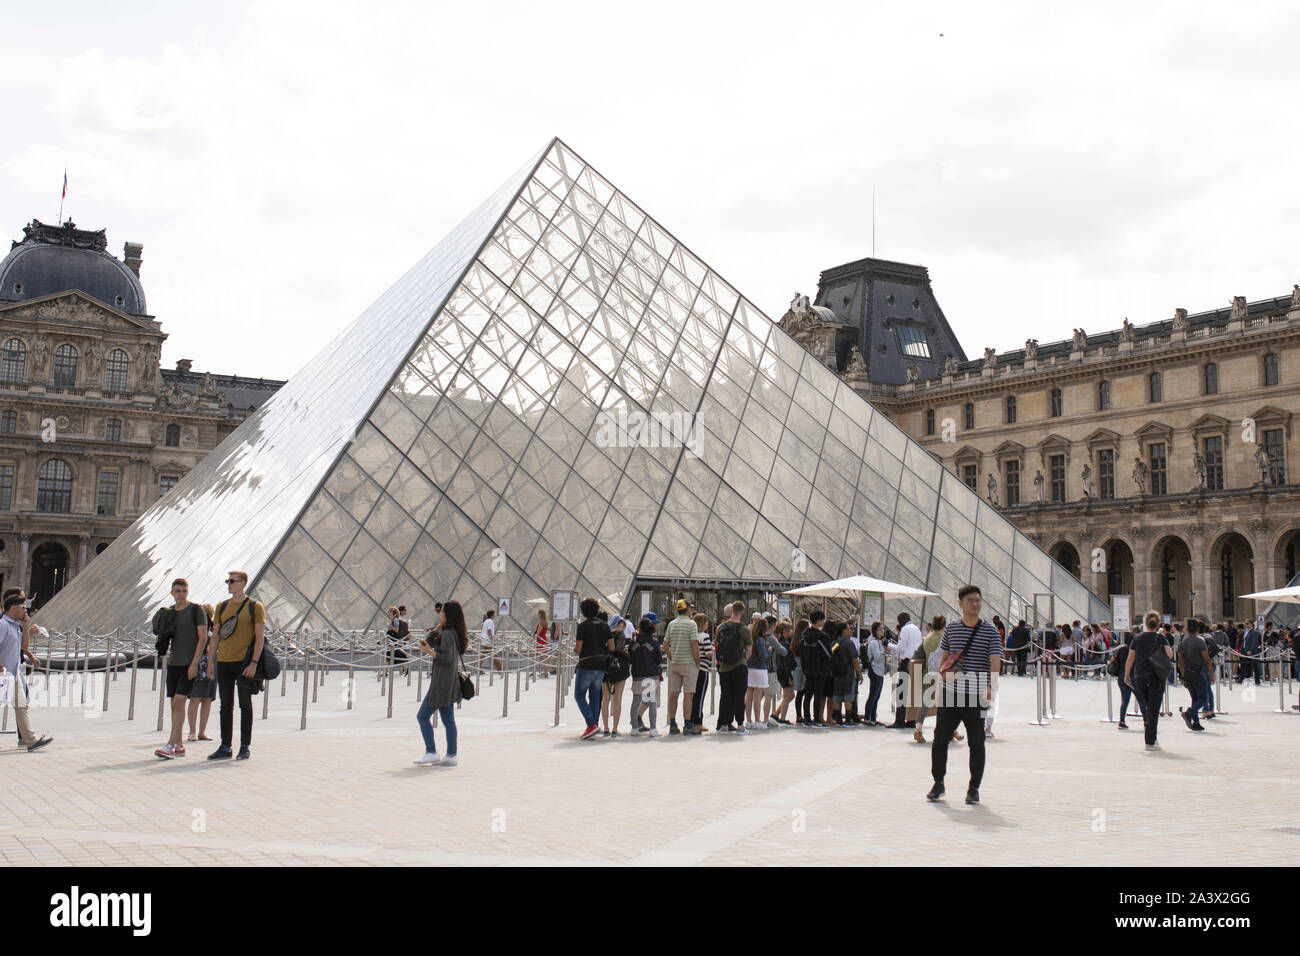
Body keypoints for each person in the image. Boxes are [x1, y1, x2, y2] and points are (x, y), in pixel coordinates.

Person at [927, 585, 1001, 805]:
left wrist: (991, 687)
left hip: (976, 693)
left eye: (978, 600)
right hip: (951, 693)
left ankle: (974, 788)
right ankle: (938, 783)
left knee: (976, 743)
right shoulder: (951, 629)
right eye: (970, 600)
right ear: (960, 603)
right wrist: (940, 684)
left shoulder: (990, 631)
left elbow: (995, 661)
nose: (975, 604)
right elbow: (945, 659)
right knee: (940, 740)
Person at [206, 571, 265, 761]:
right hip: (224, 661)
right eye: (227, 581)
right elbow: (215, 636)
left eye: (232, 581)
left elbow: (260, 637)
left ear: (243, 583)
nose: (228, 584)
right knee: (225, 705)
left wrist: (254, 663)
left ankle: (245, 746)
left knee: (245, 705)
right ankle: (225, 746)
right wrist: (210, 661)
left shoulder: (255, 607)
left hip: (244, 663)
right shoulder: (222, 607)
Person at [154, 578, 209, 759]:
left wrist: (195, 663)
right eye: (178, 591)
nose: (181, 594)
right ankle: (179, 746)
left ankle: (170, 744)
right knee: (174, 705)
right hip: (174, 663)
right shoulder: (169, 613)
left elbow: (202, 638)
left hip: (188, 664)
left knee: (179, 701)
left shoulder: (196, 610)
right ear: (172, 592)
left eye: (184, 591)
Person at [414, 600, 467, 766]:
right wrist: (435, 630)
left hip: (441, 685)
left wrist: (430, 652)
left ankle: (431, 751)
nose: (439, 615)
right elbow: (429, 642)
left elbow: (447, 658)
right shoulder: (450, 632)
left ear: (448, 615)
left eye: (442, 613)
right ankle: (451, 755)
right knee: (448, 721)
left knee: (422, 716)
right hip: (449, 683)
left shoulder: (448, 635)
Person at [0, 593, 51, 752]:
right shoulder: (2, 625)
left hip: (13, 675)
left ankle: (30, 740)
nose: (25, 611)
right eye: (23, 608)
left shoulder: (16, 625)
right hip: (3, 674)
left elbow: (24, 647)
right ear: (14, 608)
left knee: (22, 706)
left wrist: (25, 626)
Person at [1125, 611, 1174, 751]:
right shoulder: (1161, 638)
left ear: (1145, 623)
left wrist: (1126, 675)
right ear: (1158, 623)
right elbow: (1170, 654)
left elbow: (1130, 658)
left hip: (1140, 676)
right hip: (1156, 676)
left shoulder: (1137, 638)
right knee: (1153, 709)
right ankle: (1150, 741)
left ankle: (1152, 738)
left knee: (1148, 707)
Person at [573, 599, 612, 740]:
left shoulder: (582, 626)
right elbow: (612, 647)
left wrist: (575, 649)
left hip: (586, 664)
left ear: (583, 611)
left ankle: (591, 725)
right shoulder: (604, 626)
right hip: (600, 665)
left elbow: (578, 648)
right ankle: (593, 725)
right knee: (595, 697)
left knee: (579, 696)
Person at [714, 601, 753, 734]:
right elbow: (749, 651)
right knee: (739, 696)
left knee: (726, 696)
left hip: (724, 667)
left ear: (731, 612)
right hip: (739, 666)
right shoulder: (745, 630)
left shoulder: (721, 627)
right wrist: (742, 660)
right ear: (742, 613)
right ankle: (740, 725)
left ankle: (724, 724)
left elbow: (718, 646)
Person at [663, 600, 700, 735]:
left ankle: (672, 723)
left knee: (674, 694)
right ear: (687, 610)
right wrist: (697, 661)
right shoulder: (691, 624)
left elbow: (665, 644)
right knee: (688, 695)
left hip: (675, 664)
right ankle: (688, 724)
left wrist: (672, 657)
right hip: (689, 663)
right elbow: (694, 644)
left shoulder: (672, 624)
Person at [910, 615, 945, 743]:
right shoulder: (943, 638)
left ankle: (918, 728)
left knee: (925, 702)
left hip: (927, 671)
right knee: (944, 703)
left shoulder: (927, 638)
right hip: (941, 673)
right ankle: (946, 731)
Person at [629, 617, 663, 737]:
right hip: (651, 675)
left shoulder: (633, 642)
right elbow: (659, 659)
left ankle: (634, 728)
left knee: (636, 701)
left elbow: (630, 657)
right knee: (651, 701)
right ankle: (653, 729)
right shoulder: (654, 642)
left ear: (639, 628)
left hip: (637, 674)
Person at [1178, 620, 1212, 732]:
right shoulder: (1200, 641)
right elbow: (1206, 659)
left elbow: (1180, 661)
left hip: (1188, 672)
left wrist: (1183, 675)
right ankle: (1190, 713)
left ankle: (1196, 723)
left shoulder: (1182, 642)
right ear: (1198, 629)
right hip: (1199, 672)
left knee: (1194, 698)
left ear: (1187, 629)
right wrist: (1211, 674)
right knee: (1203, 698)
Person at [601, 615, 631, 737]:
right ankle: (615, 728)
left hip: (606, 666)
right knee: (618, 699)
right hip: (619, 667)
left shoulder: (604, 634)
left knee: (605, 698)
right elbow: (619, 649)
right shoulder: (620, 635)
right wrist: (627, 656)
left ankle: (606, 728)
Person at [891, 612, 922, 728]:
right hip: (916, 662)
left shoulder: (905, 629)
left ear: (902, 621)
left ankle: (899, 720)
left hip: (906, 662)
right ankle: (912, 720)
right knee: (913, 694)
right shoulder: (917, 629)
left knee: (901, 693)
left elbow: (900, 648)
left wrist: (888, 645)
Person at [829, 621, 862, 726]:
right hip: (848, 674)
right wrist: (860, 674)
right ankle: (848, 720)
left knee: (837, 697)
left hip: (836, 674)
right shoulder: (849, 643)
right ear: (843, 630)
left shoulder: (834, 643)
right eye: (849, 629)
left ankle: (838, 719)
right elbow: (854, 660)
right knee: (848, 697)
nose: (850, 631)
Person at [689, 613, 713, 731]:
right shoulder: (705, 636)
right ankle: (698, 721)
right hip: (702, 668)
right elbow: (708, 653)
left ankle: (690, 719)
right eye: (706, 622)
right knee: (700, 696)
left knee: (692, 696)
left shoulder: (692, 636)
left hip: (692, 668)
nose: (707, 624)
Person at [745, 618, 770, 729]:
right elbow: (763, 656)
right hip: (759, 669)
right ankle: (758, 720)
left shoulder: (751, 637)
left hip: (750, 667)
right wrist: (769, 649)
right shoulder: (760, 639)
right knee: (757, 696)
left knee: (749, 695)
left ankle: (748, 720)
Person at [772, 620, 796, 725]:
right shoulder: (784, 644)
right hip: (784, 672)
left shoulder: (781, 642)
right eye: (789, 630)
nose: (791, 631)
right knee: (788, 696)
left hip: (781, 671)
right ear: (784, 631)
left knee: (790, 696)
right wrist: (790, 677)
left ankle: (776, 714)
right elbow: (786, 662)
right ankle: (782, 718)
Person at [862, 621, 886, 726]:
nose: (882, 631)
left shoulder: (879, 641)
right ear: (875, 630)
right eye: (879, 629)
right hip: (874, 670)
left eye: (882, 629)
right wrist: (884, 651)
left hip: (879, 671)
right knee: (873, 695)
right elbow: (877, 657)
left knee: (877, 696)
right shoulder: (873, 642)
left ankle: (873, 717)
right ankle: (867, 718)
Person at [1112, 632, 1134, 730]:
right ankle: (1147, 721)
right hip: (1133, 677)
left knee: (1125, 701)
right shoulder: (1134, 650)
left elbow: (1112, 659)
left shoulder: (1121, 650)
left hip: (1121, 677)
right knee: (1142, 701)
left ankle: (1122, 721)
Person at [534, 608, 553, 678]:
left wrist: (533, 638)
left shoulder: (541, 623)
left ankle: (545, 673)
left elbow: (538, 633)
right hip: (544, 639)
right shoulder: (545, 622)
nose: (537, 615)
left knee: (543, 658)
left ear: (540, 614)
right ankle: (545, 672)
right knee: (544, 658)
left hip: (540, 641)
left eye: (538, 614)